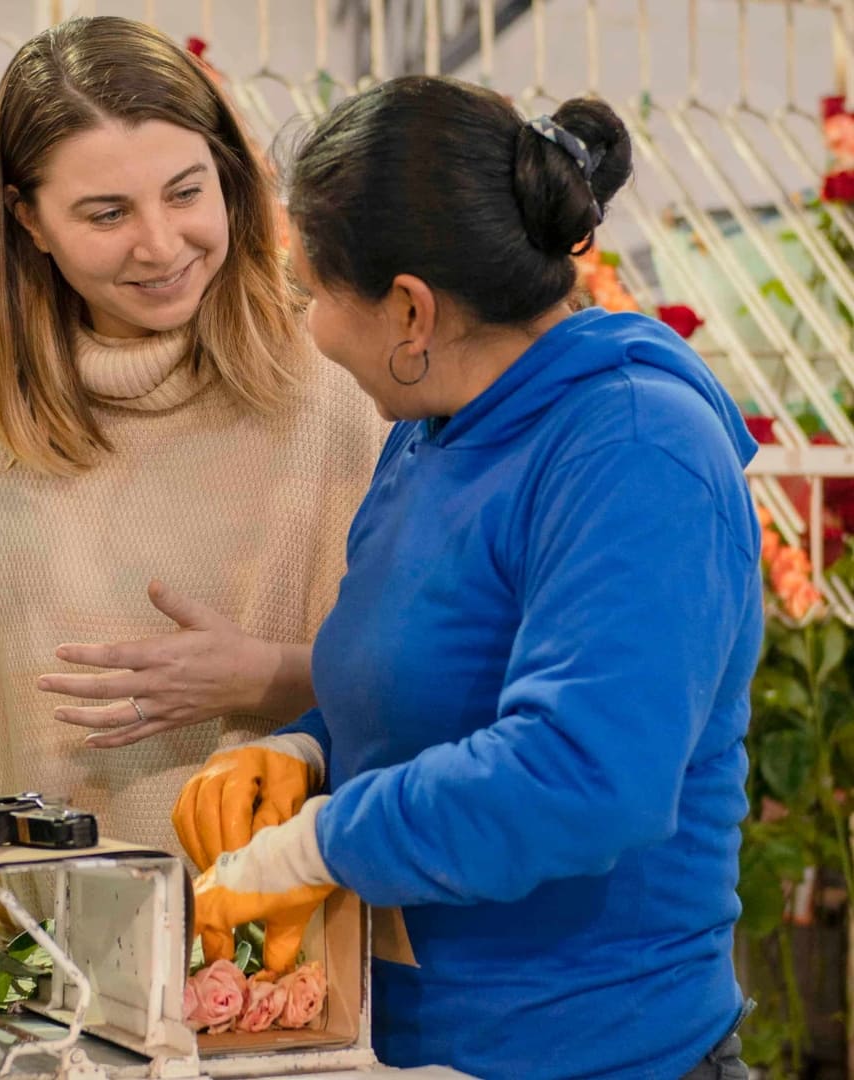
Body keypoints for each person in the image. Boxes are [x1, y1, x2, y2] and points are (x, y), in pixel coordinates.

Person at [173, 77, 761, 1079]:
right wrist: (307, 752)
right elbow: (437, 684)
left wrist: (314, 847)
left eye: (315, 291)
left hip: (600, 1053)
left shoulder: (633, 448)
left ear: (410, 310)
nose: (309, 326)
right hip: (427, 1042)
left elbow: (585, 777)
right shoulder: (431, 430)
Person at [0, 16, 384, 859]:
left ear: (228, 176)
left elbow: (443, 678)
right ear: (26, 221)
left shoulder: (338, 383)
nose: (161, 244)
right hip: (47, 950)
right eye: (107, 214)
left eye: (185, 193)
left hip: (280, 943)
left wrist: (264, 675)